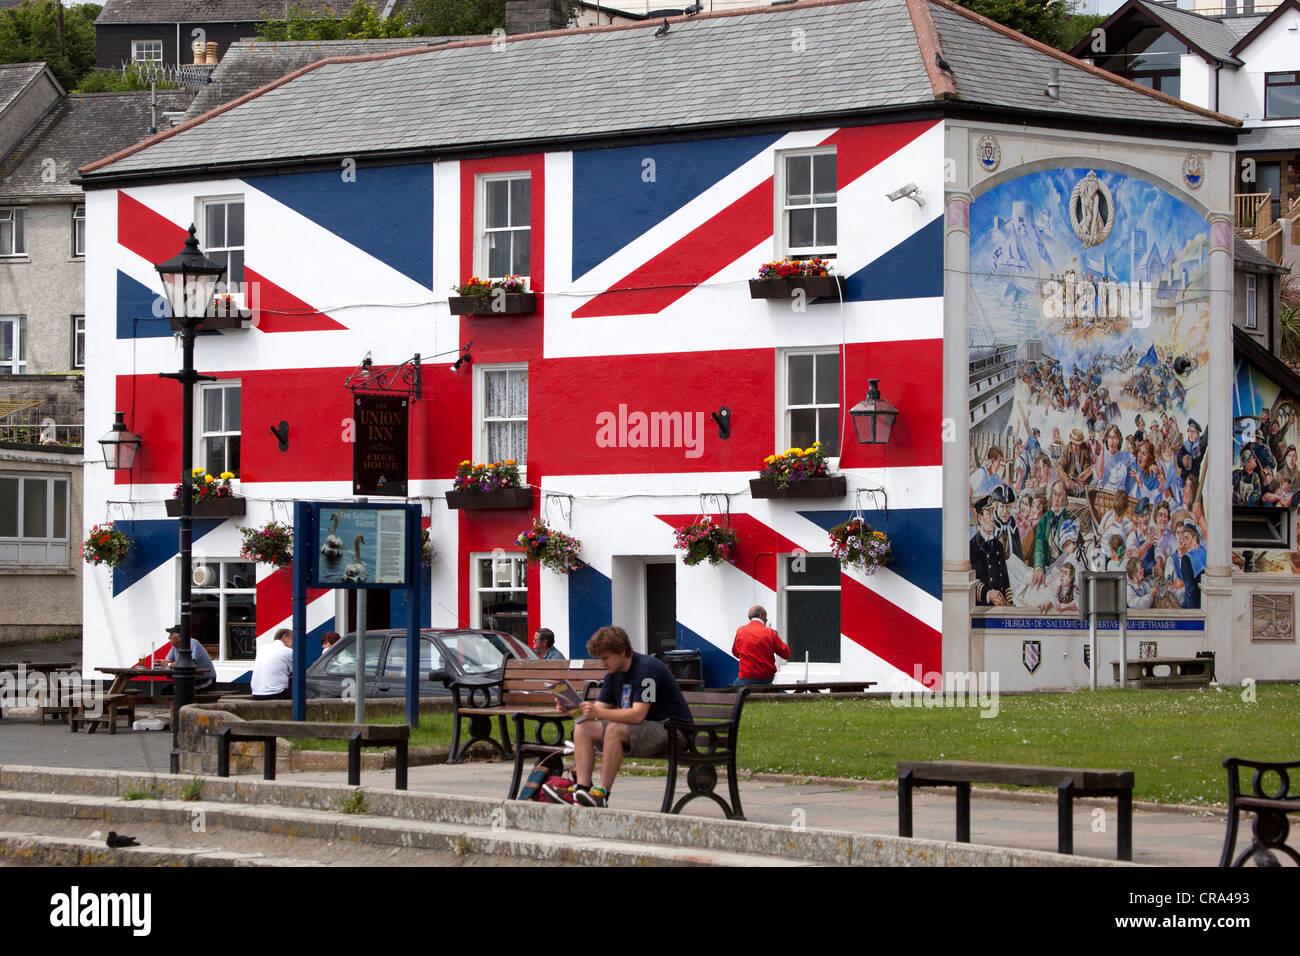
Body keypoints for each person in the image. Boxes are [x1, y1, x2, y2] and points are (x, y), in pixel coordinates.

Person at [567, 625, 691, 808]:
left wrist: (598, 713)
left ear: (622, 651)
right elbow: (597, 711)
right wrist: (572, 710)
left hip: (672, 730)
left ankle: (601, 794)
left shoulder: (648, 669)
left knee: (614, 729)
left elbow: (638, 714)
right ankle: (582, 788)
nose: (603, 664)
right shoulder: (613, 674)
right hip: (644, 729)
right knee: (583, 727)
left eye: (606, 658)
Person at [731, 606, 790, 685]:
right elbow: (786, 654)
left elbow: (736, 653)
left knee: (731, 693)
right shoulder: (770, 633)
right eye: (766, 617)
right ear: (761, 615)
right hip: (767, 678)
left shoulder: (741, 631)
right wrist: (776, 636)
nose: (766, 620)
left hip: (747, 677)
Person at [971, 495, 1012, 606]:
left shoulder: (998, 545)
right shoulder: (973, 546)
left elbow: (1005, 578)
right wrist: (989, 594)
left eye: (992, 513)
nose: (992, 518)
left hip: (1001, 605)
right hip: (983, 606)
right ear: (980, 518)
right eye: (988, 514)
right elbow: (972, 581)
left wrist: (1010, 602)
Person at [162, 624, 217, 693]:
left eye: (171, 635)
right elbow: (167, 661)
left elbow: (189, 663)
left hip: (205, 680)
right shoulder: (175, 646)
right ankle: (175, 704)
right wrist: (160, 662)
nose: (169, 638)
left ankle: (186, 704)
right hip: (188, 680)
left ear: (179, 637)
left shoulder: (192, 643)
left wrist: (169, 664)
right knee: (167, 690)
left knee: (181, 691)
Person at [251, 627, 293, 700]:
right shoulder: (288, 651)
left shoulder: (262, 648)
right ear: (285, 638)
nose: (295, 643)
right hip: (277, 693)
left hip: (256, 693)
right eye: (293, 639)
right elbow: (298, 673)